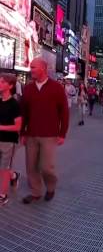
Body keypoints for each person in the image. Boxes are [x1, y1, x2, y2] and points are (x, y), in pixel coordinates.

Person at [18, 58, 69, 204]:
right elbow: (24, 113)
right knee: (31, 166)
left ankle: (51, 188)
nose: (31, 70)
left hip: (50, 135)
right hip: (31, 134)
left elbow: (64, 112)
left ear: (43, 69)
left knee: (47, 167)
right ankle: (36, 192)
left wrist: (62, 133)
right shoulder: (28, 88)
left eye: (33, 67)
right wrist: (23, 133)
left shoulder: (56, 88)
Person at [0, 74, 21, 206]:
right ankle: (14, 176)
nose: (0, 83)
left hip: (8, 141)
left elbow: (18, 126)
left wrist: (1, 127)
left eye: (2, 82)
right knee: (2, 168)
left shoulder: (14, 104)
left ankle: (3, 195)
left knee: (4, 168)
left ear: (11, 86)